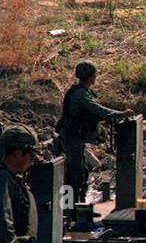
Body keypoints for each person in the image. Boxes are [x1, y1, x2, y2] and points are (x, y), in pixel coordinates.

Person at [56, 60, 133, 206]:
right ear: (92, 77)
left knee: (81, 171)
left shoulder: (82, 92)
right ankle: (68, 210)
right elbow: (98, 109)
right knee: (74, 174)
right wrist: (121, 114)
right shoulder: (81, 94)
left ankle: (77, 206)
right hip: (71, 138)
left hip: (75, 137)